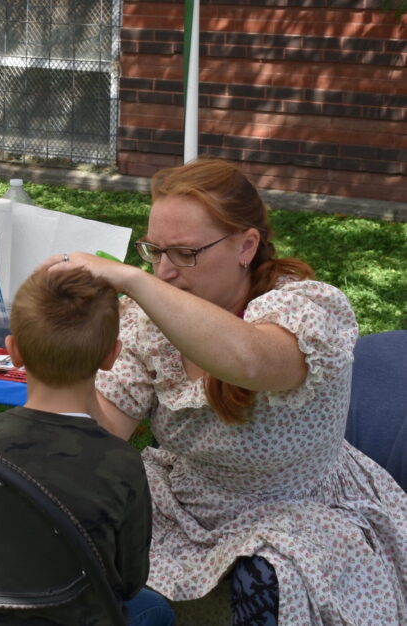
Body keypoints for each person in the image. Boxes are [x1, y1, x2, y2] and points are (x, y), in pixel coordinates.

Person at [52, 158, 407, 624]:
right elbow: (102, 432)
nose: (164, 271)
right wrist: (66, 361)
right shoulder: (147, 322)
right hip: (187, 502)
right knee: (79, 525)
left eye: (185, 253)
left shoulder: (307, 308)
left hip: (298, 510)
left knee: (270, 571)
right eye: (154, 251)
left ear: (246, 246)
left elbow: (250, 359)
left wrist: (133, 280)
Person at [0, 267, 173, 626]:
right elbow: (130, 581)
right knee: (158, 610)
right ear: (112, 356)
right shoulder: (121, 462)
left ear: (13, 351)